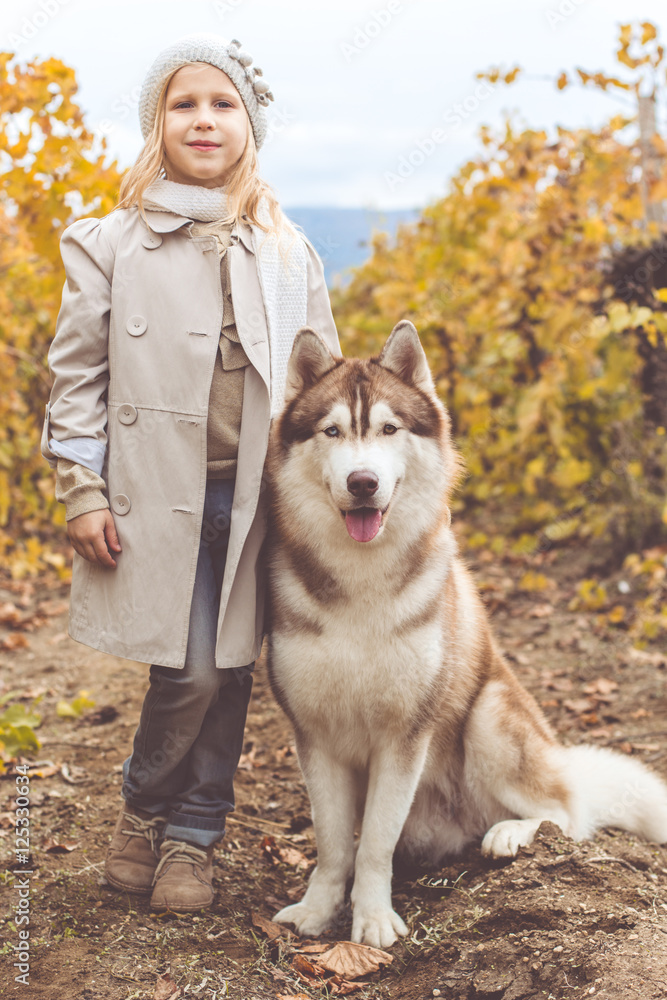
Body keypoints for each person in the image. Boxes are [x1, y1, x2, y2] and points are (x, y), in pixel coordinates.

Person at [41, 33, 340, 913]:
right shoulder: (108, 244)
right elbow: (77, 378)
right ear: (155, 125)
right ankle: (142, 808)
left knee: (233, 662)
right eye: (183, 104)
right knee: (188, 670)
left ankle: (192, 838)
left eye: (222, 104)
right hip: (151, 495)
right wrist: (81, 489)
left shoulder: (287, 253)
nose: (203, 120)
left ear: (249, 126)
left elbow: (318, 385)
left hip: (255, 501)